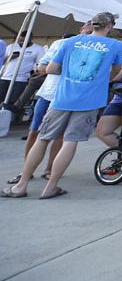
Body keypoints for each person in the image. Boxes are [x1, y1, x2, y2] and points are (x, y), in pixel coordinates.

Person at [3, 12, 122, 200]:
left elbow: (50, 68)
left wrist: (68, 71)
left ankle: (21, 185)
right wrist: (103, 79)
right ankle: (51, 186)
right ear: (109, 26)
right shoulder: (115, 45)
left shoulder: (69, 42)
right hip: (89, 100)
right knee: (70, 141)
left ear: (93, 25)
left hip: (62, 98)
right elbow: (117, 71)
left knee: (42, 138)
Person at [5, 21, 94, 187]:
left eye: (91, 33)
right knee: (34, 132)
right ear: (80, 30)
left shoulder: (93, 50)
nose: (88, 35)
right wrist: (65, 70)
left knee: (60, 136)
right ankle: (26, 171)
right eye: (86, 31)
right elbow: (42, 66)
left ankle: (49, 169)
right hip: (48, 93)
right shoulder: (61, 43)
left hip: (69, 96)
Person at [1, 38, 45, 119]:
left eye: (23, 40)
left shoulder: (38, 49)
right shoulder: (11, 46)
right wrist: (10, 57)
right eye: (20, 40)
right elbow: (2, 60)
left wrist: (34, 74)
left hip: (21, 79)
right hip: (4, 76)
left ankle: (11, 119)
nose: (21, 42)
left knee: (13, 101)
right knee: (1, 99)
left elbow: (40, 63)